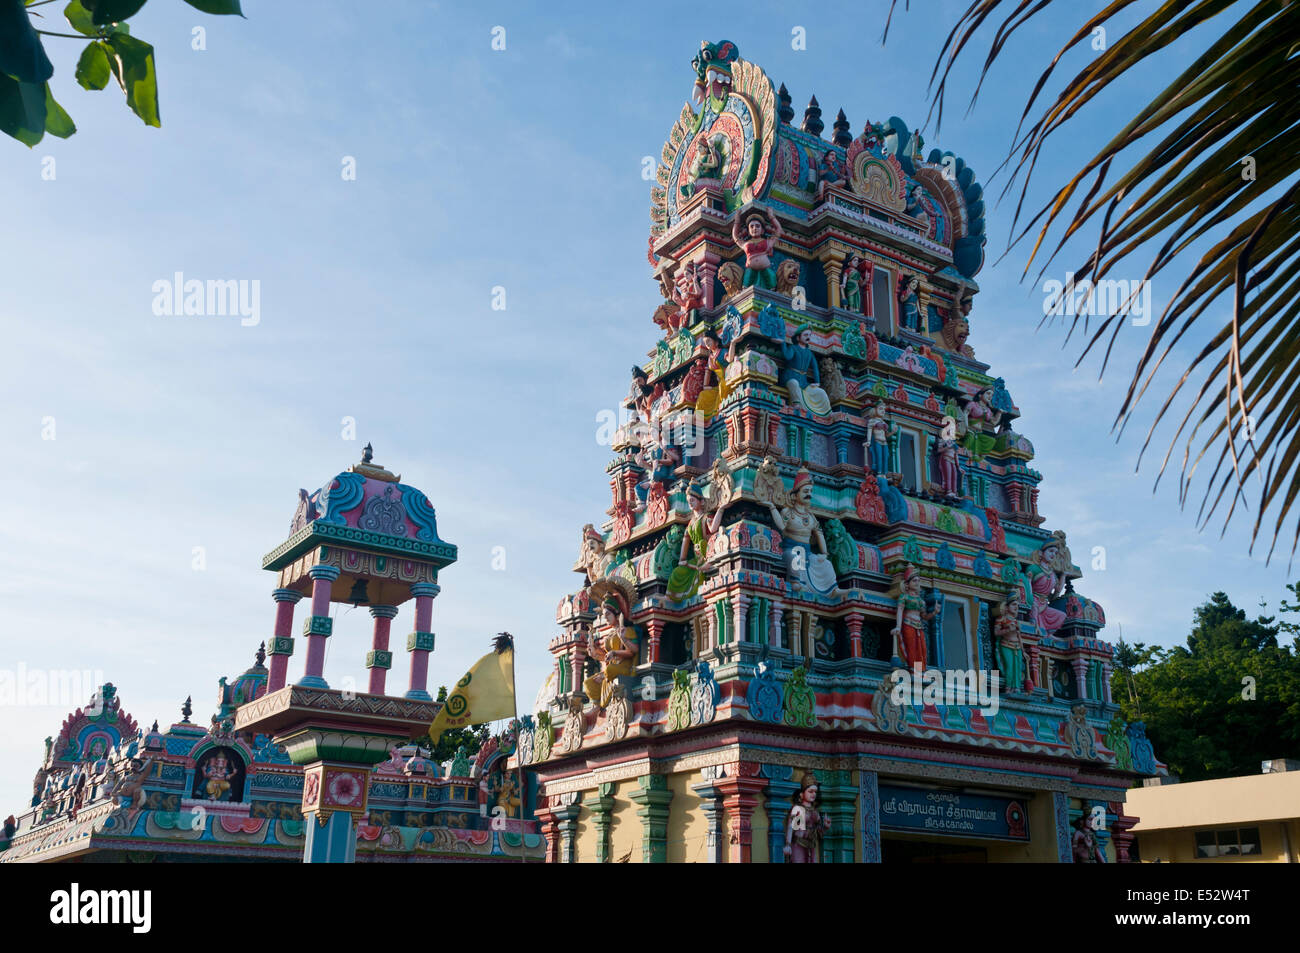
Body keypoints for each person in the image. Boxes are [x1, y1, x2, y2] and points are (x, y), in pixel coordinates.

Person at [764, 469, 840, 597]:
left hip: (808, 552)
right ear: (795, 495)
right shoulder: (788, 512)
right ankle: (796, 583)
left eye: (810, 491)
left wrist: (824, 554)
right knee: (796, 558)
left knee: (826, 565)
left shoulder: (811, 517)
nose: (808, 494)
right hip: (790, 549)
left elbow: (819, 534)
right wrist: (772, 508)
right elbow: (782, 526)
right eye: (805, 491)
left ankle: (832, 590)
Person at [666, 481, 729, 601]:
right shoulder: (690, 523)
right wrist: (682, 561)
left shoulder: (706, 518)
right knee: (676, 573)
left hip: (706, 555)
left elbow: (713, 529)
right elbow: (685, 546)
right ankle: (672, 598)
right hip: (695, 559)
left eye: (693, 500)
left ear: (702, 501)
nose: (690, 503)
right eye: (689, 501)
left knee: (699, 572)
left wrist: (720, 509)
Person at [583, 597, 639, 709]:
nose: (605, 618)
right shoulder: (610, 635)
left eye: (608, 614)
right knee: (588, 683)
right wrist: (595, 653)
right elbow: (606, 657)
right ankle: (598, 708)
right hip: (612, 668)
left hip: (624, 666)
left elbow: (633, 651)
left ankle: (605, 697)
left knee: (609, 670)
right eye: (604, 615)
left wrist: (623, 640)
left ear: (617, 615)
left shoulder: (627, 631)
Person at [891, 565, 936, 670]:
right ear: (907, 584)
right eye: (914, 580)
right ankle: (913, 670)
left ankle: (920, 670)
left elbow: (924, 616)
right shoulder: (904, 597)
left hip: (919, 627)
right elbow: (900, 611)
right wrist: (898, 626)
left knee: (922, 649)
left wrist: (934, 612)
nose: (917, 583)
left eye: (918, 581)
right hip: (908, 624)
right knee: (911, 648)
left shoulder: (921, 601)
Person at [731, 206, 783, 289]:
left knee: (772, 286)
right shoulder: (746, 244)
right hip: (750, 270)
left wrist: (771, 216)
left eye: (757, 226)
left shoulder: (768, 242)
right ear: (748, 232)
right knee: (745, 288)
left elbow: (778, 230)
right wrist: (737, 220)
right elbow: (735, 237)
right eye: (751, 226)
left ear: (762, 230)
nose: (754, 228)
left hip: (765, 269)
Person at [784, 772, 830, 862]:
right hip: (799, 845)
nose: (813, 794)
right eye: (810, 791)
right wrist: (788, 844)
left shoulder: (815, 812)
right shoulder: (799, 809)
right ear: (802, 794)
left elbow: (818, 832)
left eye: (815, 792)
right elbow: (791, 827)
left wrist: (825, 826)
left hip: (811, 847)